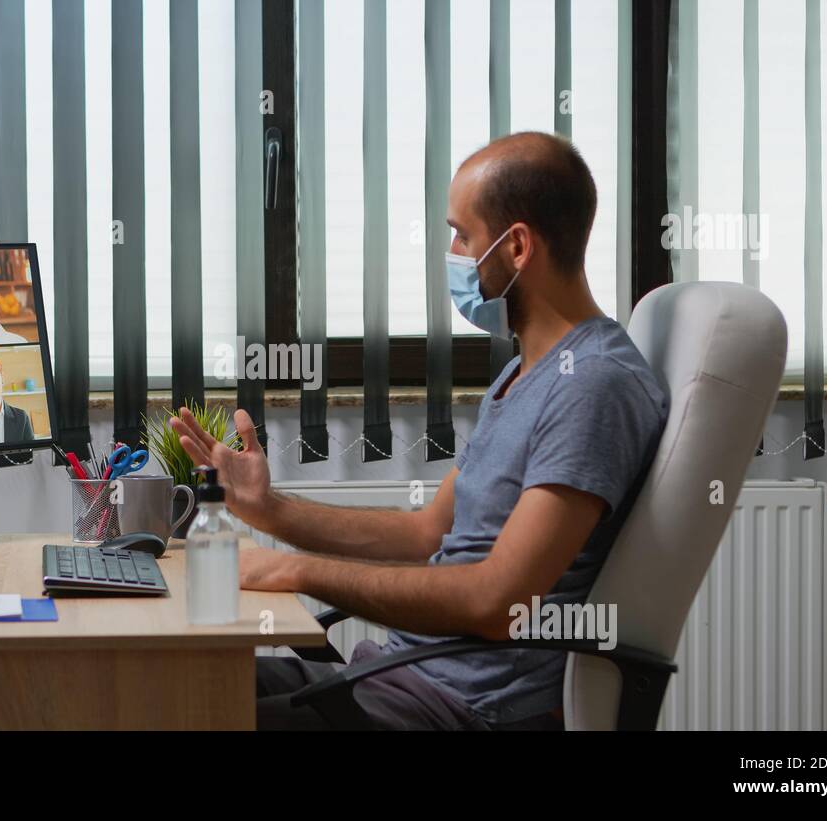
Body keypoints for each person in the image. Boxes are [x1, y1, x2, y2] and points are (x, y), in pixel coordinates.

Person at [169, 132, 670, 731]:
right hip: (400, 673)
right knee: (164, 686)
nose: (452, 252)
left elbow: (494, 602)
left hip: (457, 708)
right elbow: (424, 532)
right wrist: (267, 509)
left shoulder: (593, 386)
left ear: (515, 247)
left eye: (463, 234)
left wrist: (296, 571)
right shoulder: (521, 374)